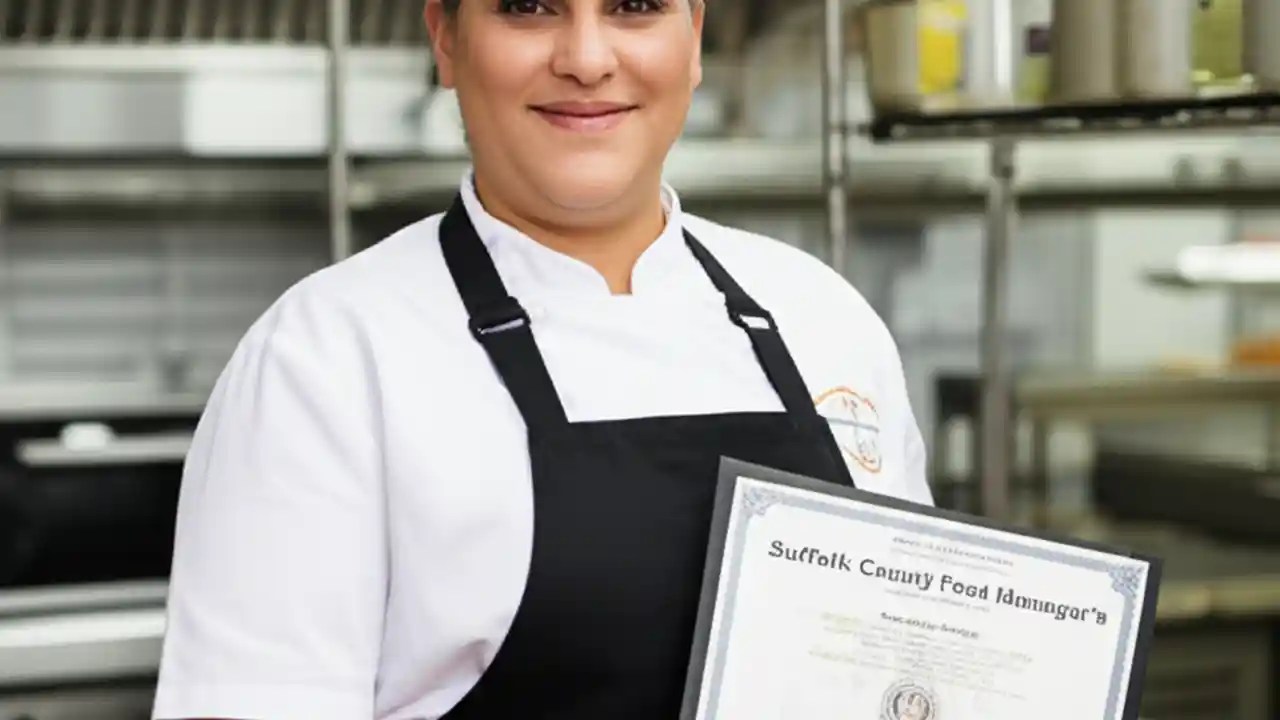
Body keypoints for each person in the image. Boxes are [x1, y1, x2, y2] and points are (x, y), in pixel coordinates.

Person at [151, 0, 933, 718]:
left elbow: (922, 667)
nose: (587, 58)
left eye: (634, 7)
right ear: (447, 39)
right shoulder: (326, 359)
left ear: (692, 38)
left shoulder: (825, 320)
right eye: (528, 7)